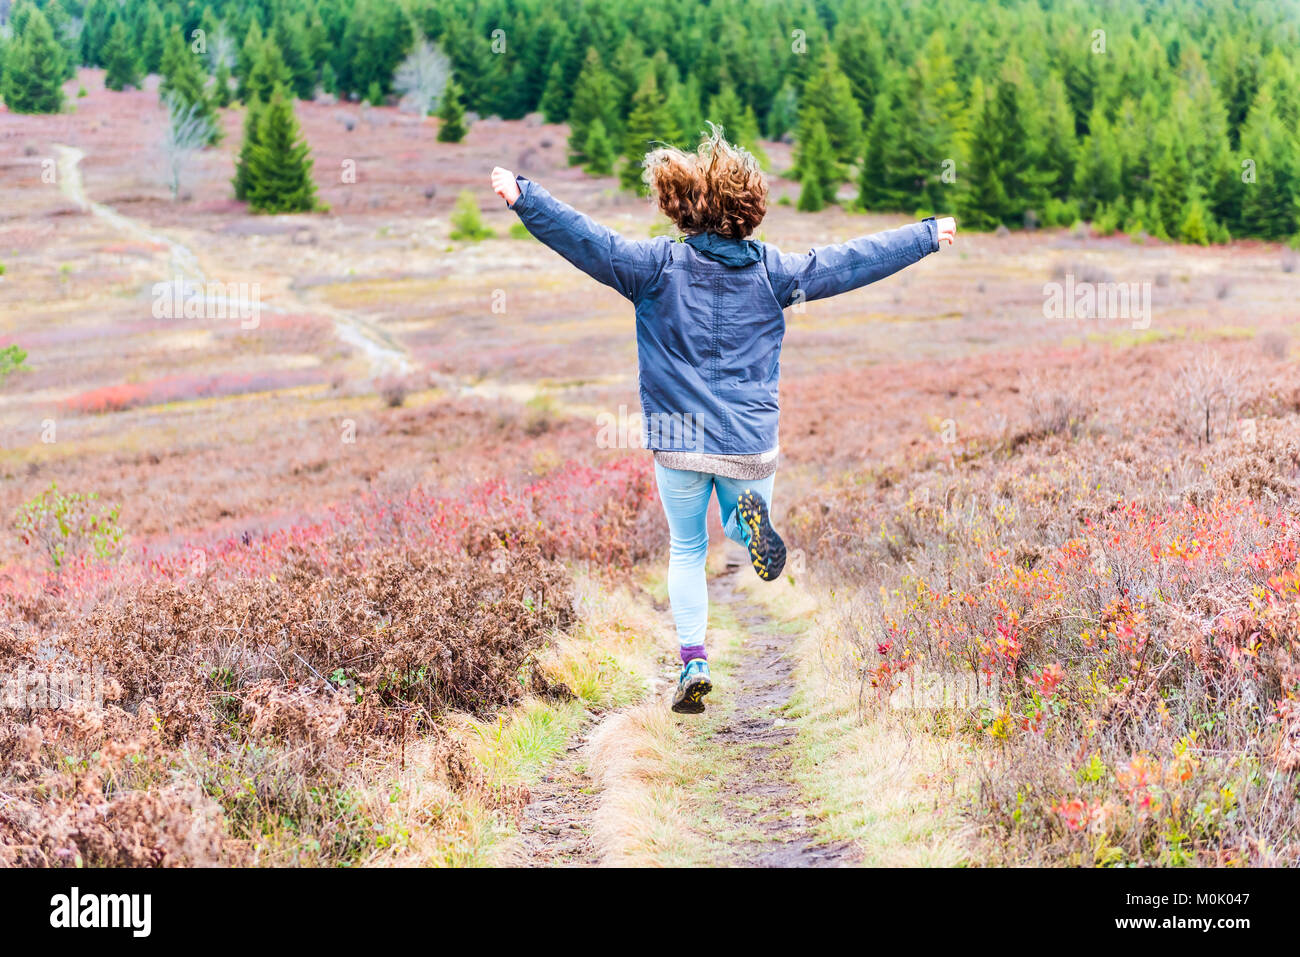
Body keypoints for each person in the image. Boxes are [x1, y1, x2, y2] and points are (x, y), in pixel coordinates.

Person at [491, 127, 956, 714]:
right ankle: (746, 527)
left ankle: (693, 661)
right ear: (751, 209)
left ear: (682, 205)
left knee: (686, 548)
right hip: (748, 442)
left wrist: (525, 197)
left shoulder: (652, 267)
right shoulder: (776, 273)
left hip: (680, 442)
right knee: (737, 528)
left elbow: (588, 239)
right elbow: (850, 262)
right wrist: (924, 236)